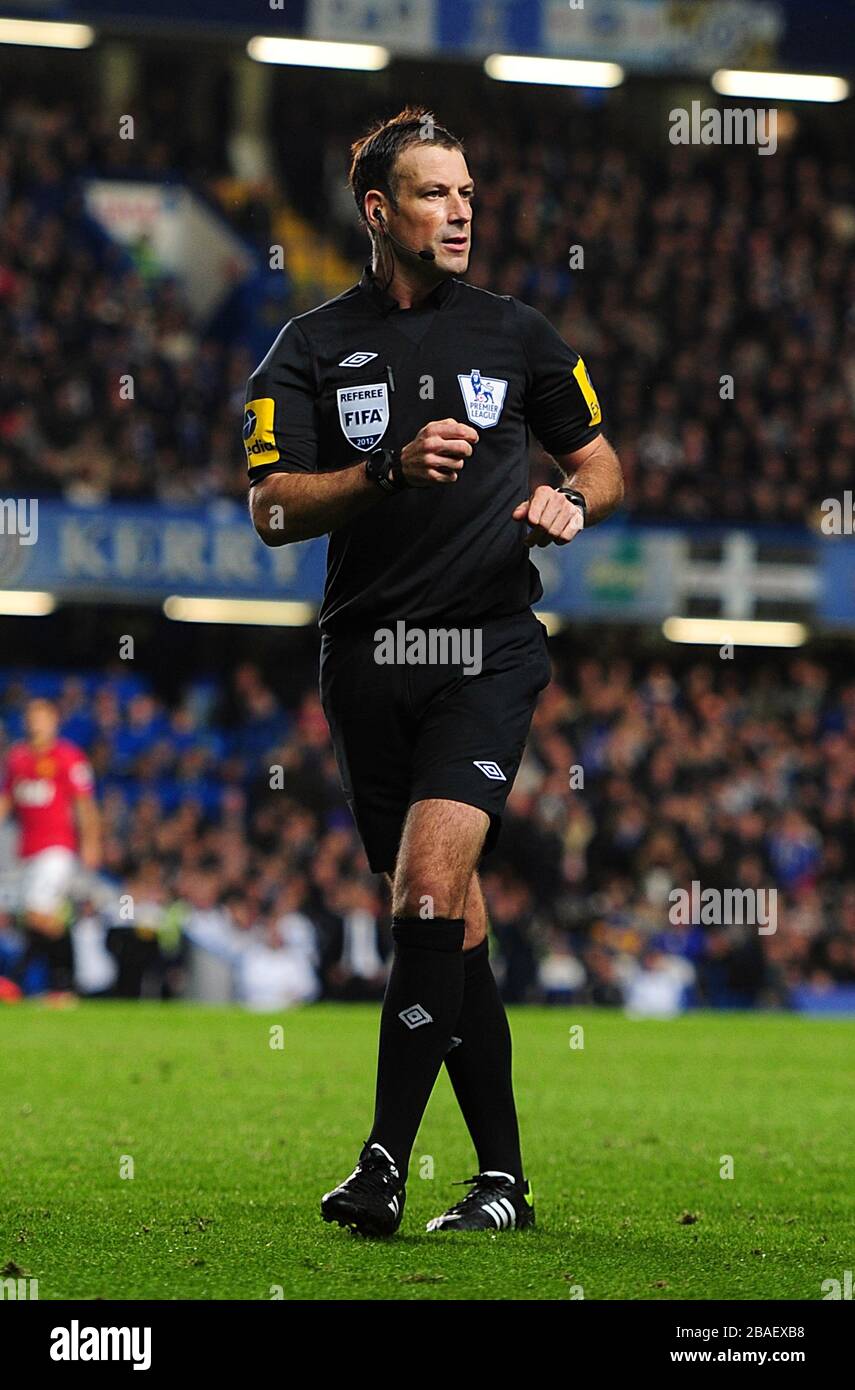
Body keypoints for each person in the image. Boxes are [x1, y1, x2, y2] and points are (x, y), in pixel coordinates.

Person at [245, 107, 624, 1235]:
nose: (459, 211)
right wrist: (384, 472)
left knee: (424, 885)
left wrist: (573, 498)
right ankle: (504, 1182)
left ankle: (381, 1166)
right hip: (365, 659)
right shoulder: (307, 348)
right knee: (446, 918)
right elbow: (270, 506)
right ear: (379, 211)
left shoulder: (518, 334)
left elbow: (601, 462)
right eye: (433, 194)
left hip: (486, 648)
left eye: (466, 192)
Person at [0, 697, 100, 996]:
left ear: (54, 720)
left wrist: (91, 842)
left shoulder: (69, 757)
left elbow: (85, 804)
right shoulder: (17, 758)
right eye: (31, 717)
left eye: (42, 717)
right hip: (27, 849)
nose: (35, 723)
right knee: (39, 919)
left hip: (57, 847)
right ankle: (63, 985)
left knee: (36, 913)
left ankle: (20, 981)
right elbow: (6, 800)